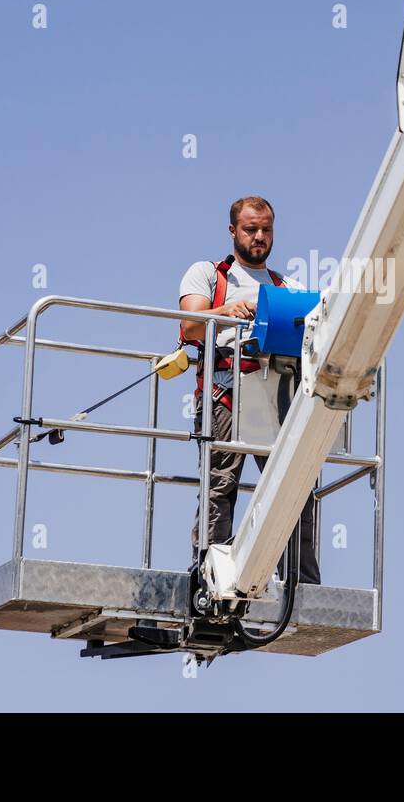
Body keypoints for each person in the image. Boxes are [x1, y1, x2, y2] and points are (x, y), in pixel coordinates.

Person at [178, 195, 321, 584]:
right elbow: (190, 325)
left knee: (294, 487)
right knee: (221, 485)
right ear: (232, 231)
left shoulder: (286, 286)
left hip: (275, 395)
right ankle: (209, 575)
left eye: (266, 229)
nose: (259, 236)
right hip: (226, 393)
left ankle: (299, 581)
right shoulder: (208, 274)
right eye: (250, 229)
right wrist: (227, 312)